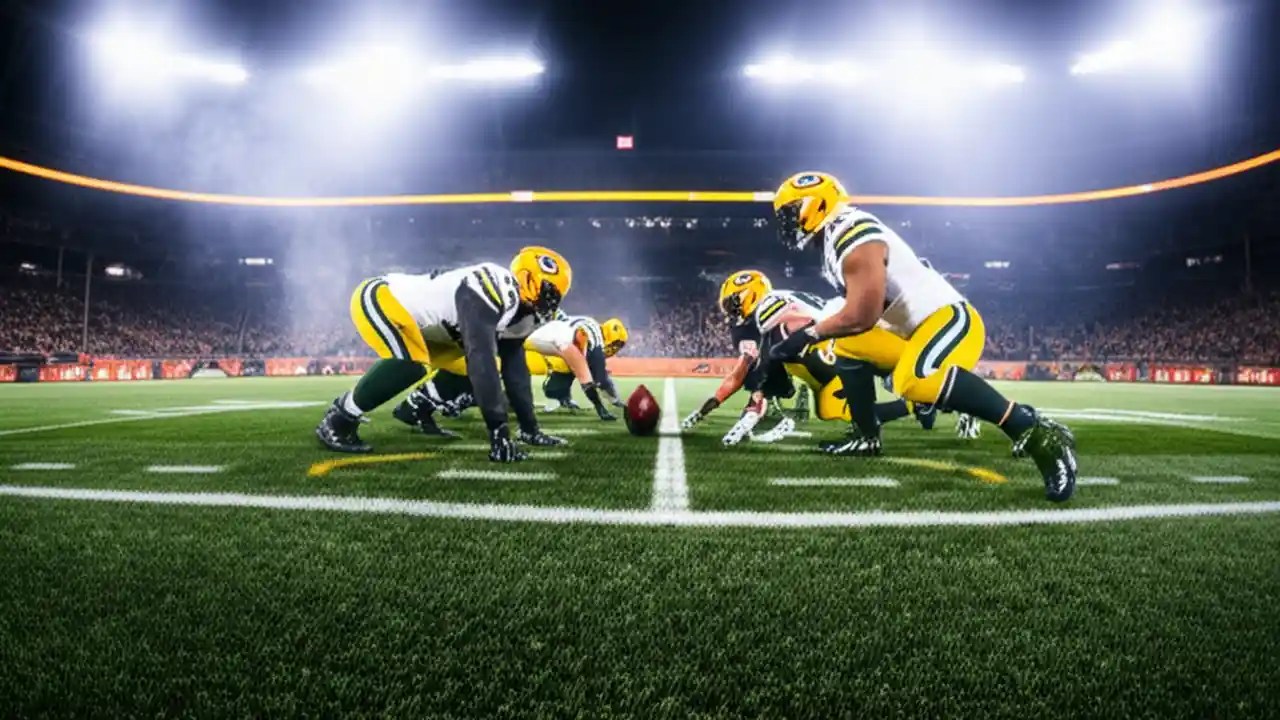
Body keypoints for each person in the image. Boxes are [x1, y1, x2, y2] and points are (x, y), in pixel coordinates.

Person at [766, 172, 1077, 501]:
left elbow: (862, 315)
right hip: (913, 332)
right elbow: (856, 317)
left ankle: (1035, 431)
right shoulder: (835, 240)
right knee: (845, 344)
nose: (786, 222)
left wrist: (808, 335)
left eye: (790, 211)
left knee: (914, 381)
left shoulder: (851, 232)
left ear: (817, 205)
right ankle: (866, 436)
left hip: (948, 319)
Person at [314, 246, 572, 463]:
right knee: (413, 364)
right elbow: (480, 359)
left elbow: (515, 372)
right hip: (385, 297)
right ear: (528, 279)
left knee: (469, 369)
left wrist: (530, 429)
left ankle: (417, 407)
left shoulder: (521, 315)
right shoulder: (494, 284)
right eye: (549, 293)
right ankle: (340, 418)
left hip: (433, 330)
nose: (551, 303)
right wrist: (499, 434)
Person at [682, 269, 935, 446]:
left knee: (909, 368)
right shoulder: (771, 312)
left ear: (751, 294)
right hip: (831, 353)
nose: (731, 312)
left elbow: (779, 345)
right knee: (832, 410)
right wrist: (711, 407)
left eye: (734, 303)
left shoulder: (769, 307)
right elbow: (745, 369)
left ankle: (934, 383)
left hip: (847, 340)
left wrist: (758, 396)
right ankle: (916, 406)